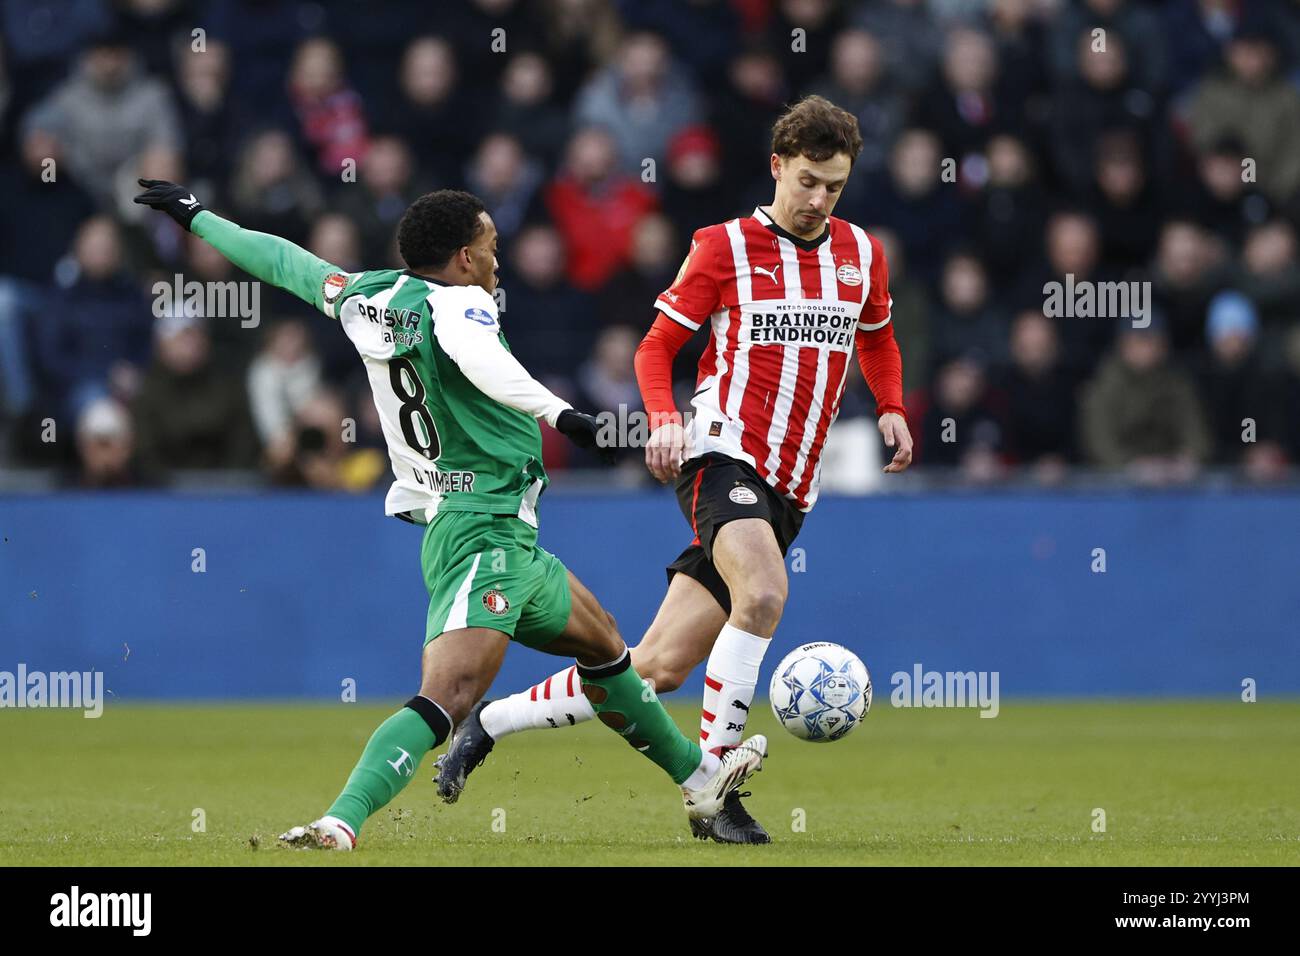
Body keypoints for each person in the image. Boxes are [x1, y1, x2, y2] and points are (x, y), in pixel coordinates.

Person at [134, 180, 766, 850]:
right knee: (448, 694)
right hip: (478, 527)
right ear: (464, 257)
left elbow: (282, 262)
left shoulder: (367, 295)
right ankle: (339, 821)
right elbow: (481, 362)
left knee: (606, 647)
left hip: (504, 534)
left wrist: (198, 216)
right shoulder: (462, 305)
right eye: (491, 245)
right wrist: (563, 415)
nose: (499, 258)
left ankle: (701, 782)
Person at [437, 95, 912, 844]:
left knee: (653, 669)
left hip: (792, 484)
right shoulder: (724, 246)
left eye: (835, 187)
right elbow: (656, 348)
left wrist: (891, 405)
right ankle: (712, 788)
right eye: (809, 181)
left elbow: (877, 337)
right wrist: (663, 418)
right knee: (762, 592)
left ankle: (490, 723)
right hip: (721, 452)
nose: (820, 199)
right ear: (778, 166)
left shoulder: (861, 253)